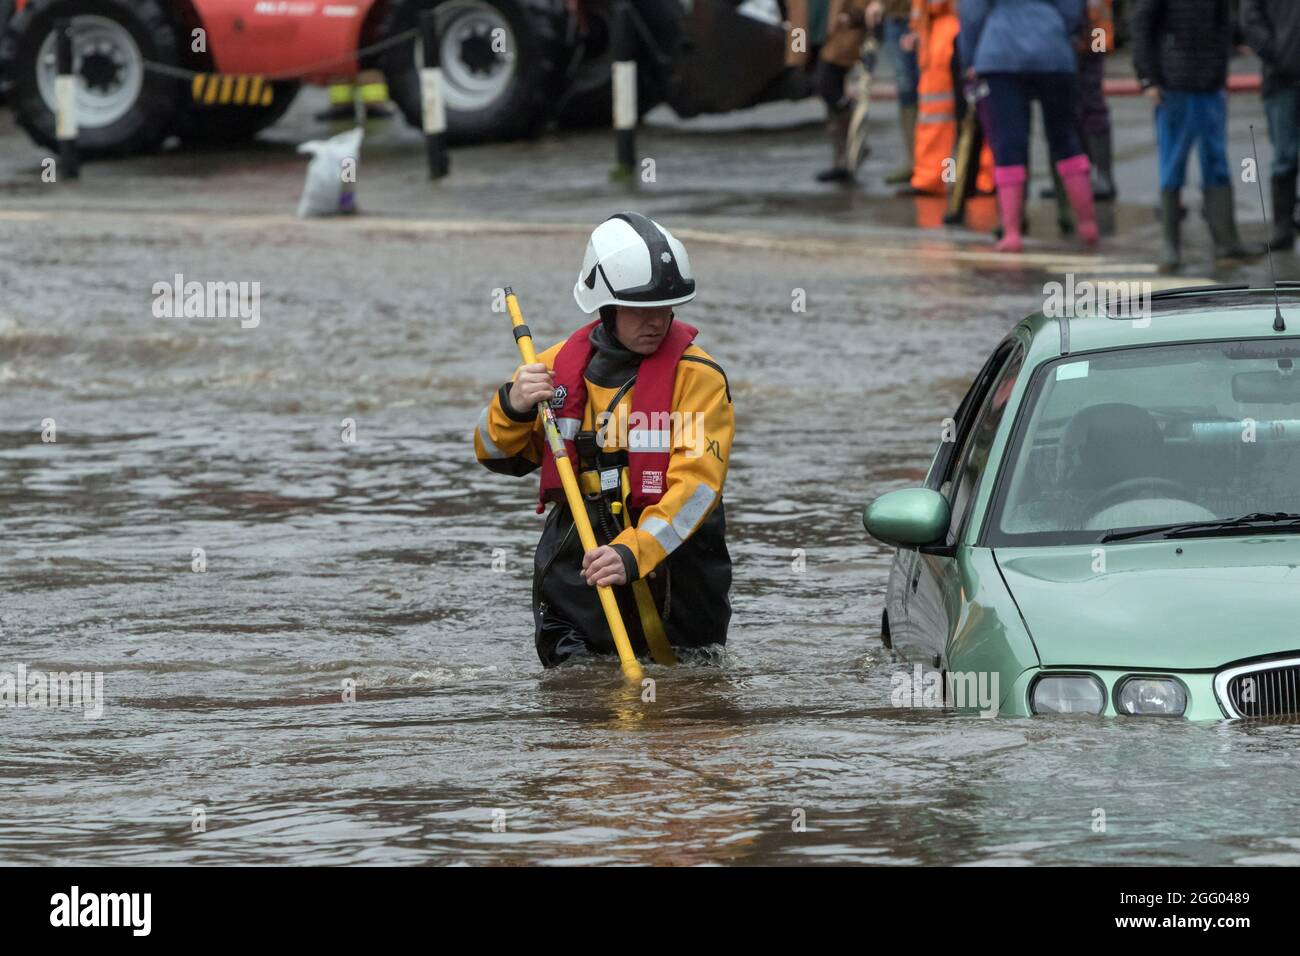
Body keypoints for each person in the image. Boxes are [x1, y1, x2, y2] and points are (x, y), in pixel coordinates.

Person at [473, 213, 735, 667]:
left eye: (665, 308)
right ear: (606, 307)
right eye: (640, 309)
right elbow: (496, 454)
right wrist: (513, 405)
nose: (655, 322)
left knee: (686, 696)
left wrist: (635, 552)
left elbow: (698, 487)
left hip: (674, 569)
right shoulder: (552, 368)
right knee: (576, 696)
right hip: (579, 559)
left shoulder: (699, 379)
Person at [1132, 0, 1265, 271]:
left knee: (1215, 162)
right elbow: (1141, 26)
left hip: (1208, 84)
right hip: (1174, 85)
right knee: (1173, 165)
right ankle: (1172, 248)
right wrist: (1146, 77)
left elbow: (1224, 23)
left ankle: (1226, 243)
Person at [959, 0, 1098, 252]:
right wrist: (1055, 30)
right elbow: (1072, 9)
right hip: (1053, 51)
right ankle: (1087, 224)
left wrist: (970, 57)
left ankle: (1011, 232)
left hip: (1000, 53)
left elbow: (971, 13)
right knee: (1065, 138)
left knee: (1009, 143)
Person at [786, 0, 871, 182]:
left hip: (842, 28)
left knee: (827, 85)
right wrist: (796, 49)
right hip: (805, 30)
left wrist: (857, 14)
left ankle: (855, 138)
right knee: (824, 93)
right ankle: (843, 161)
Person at [1241, 0, 1300, 251]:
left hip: (1280, 74)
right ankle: (1282, 229)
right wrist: (1278, 53)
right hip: (1281, 79)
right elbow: (1250, 17)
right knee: (1284, 156)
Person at [867, 0, 920, 184]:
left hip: (927, 19)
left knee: (935, 91)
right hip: (895, 18)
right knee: (906, 89)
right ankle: (914, 162)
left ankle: (945, 167)